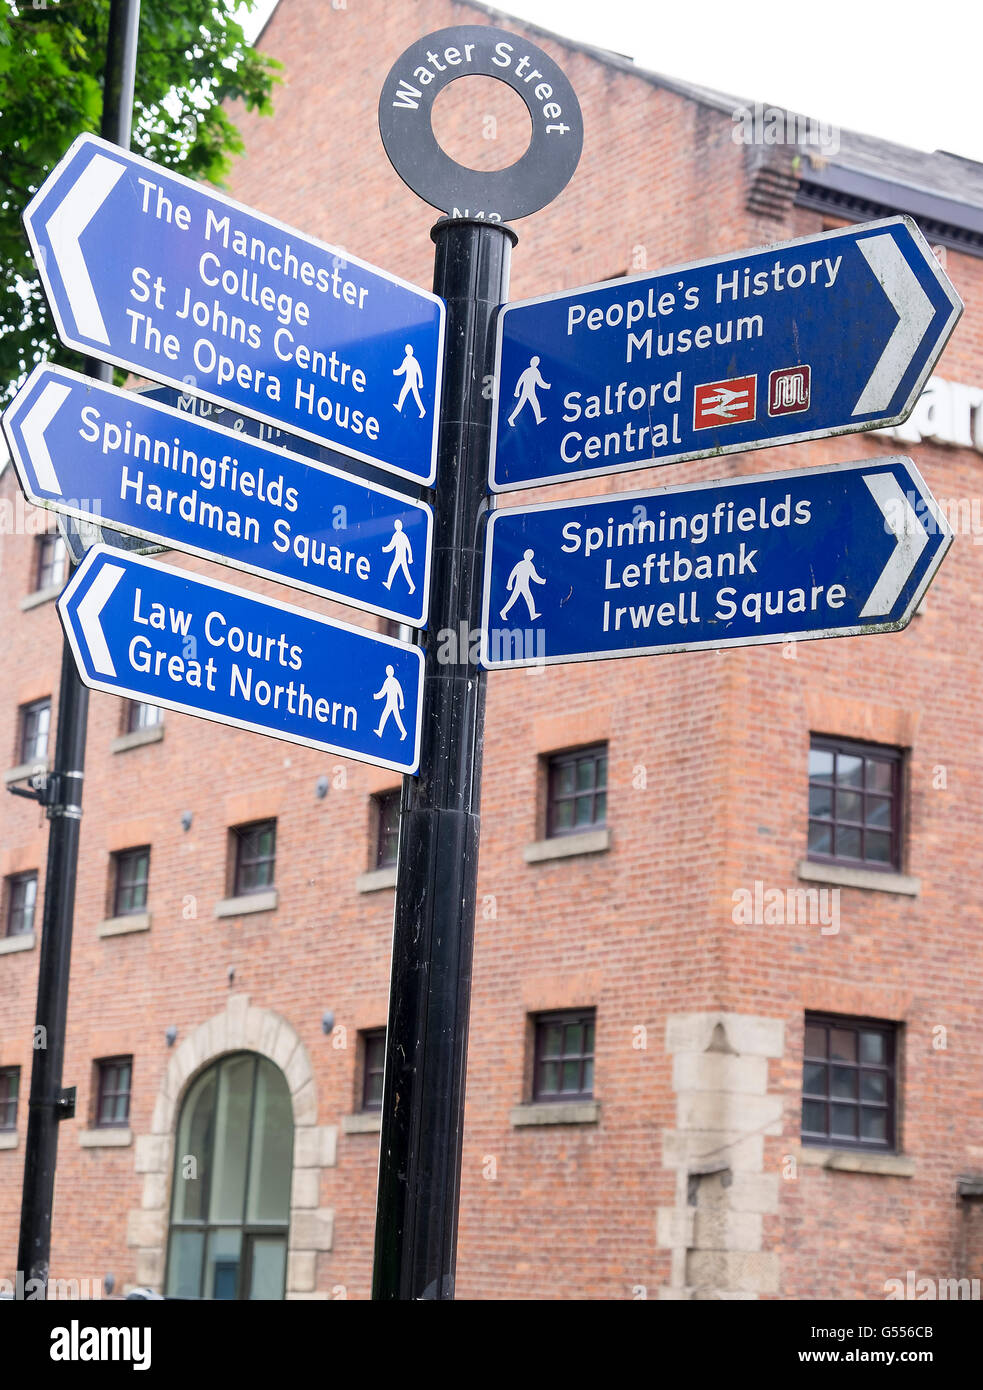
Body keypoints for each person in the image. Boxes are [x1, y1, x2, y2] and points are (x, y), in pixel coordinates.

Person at [500, 549, 546, 621]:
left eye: (530, 555)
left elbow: (534, 576)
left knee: (528, 599)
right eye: (528, 554)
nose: (529, 556)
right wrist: (509, 584)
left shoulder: (530, 565)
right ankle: (503, 612)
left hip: (524, 585)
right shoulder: (521, 564)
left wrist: (541, 581)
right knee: (514, 599)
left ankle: (532, 614)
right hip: (519, 585)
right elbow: (513, 573)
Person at [508, 356, 551, 426]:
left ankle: (538, 418)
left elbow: (539, 382)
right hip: (527, 392)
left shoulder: (531, 371)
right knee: (520, 406)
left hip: (530, 392)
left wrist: (547, 386)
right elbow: (521, 381)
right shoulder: (532, 371)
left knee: (534, 404)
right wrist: (548, 386)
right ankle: (511, 419)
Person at [373, 664, 408, 740]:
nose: (388, 672)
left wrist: (402, 703)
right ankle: (380, 731)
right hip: (390, 703)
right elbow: (383, 691)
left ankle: (404, 732)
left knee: (396, 718)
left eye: (389, 671)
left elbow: (400, 692)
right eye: (387, 671)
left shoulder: (393, 681)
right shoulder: (388, 681)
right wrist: (376, 696)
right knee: (387, 716)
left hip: (393, 703)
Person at [381, 519, 415, 594]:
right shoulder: (396, 535)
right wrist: (384, 549)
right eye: (396, 525)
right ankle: (389, 584)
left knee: (405, 572)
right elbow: (391, 545)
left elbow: (408, 546)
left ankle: (412, 586)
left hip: (402, 557)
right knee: (394, 569)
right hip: (398, 557)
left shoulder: (402, 535)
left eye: (398, 525)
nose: (397, 526)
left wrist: (410, 557)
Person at [393, 344, 426, 418]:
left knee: (416, 396)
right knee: (403, 392)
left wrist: (421, 382)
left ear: (411, 351)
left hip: (413, 381)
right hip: (408, 380)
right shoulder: (406, 359)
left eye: (409, 350)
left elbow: (419, 372)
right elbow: (402, 369)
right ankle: (399, 406)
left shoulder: (413, 360)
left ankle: (422, 410)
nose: (408, 351)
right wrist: (395, 372)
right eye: (407, 350)